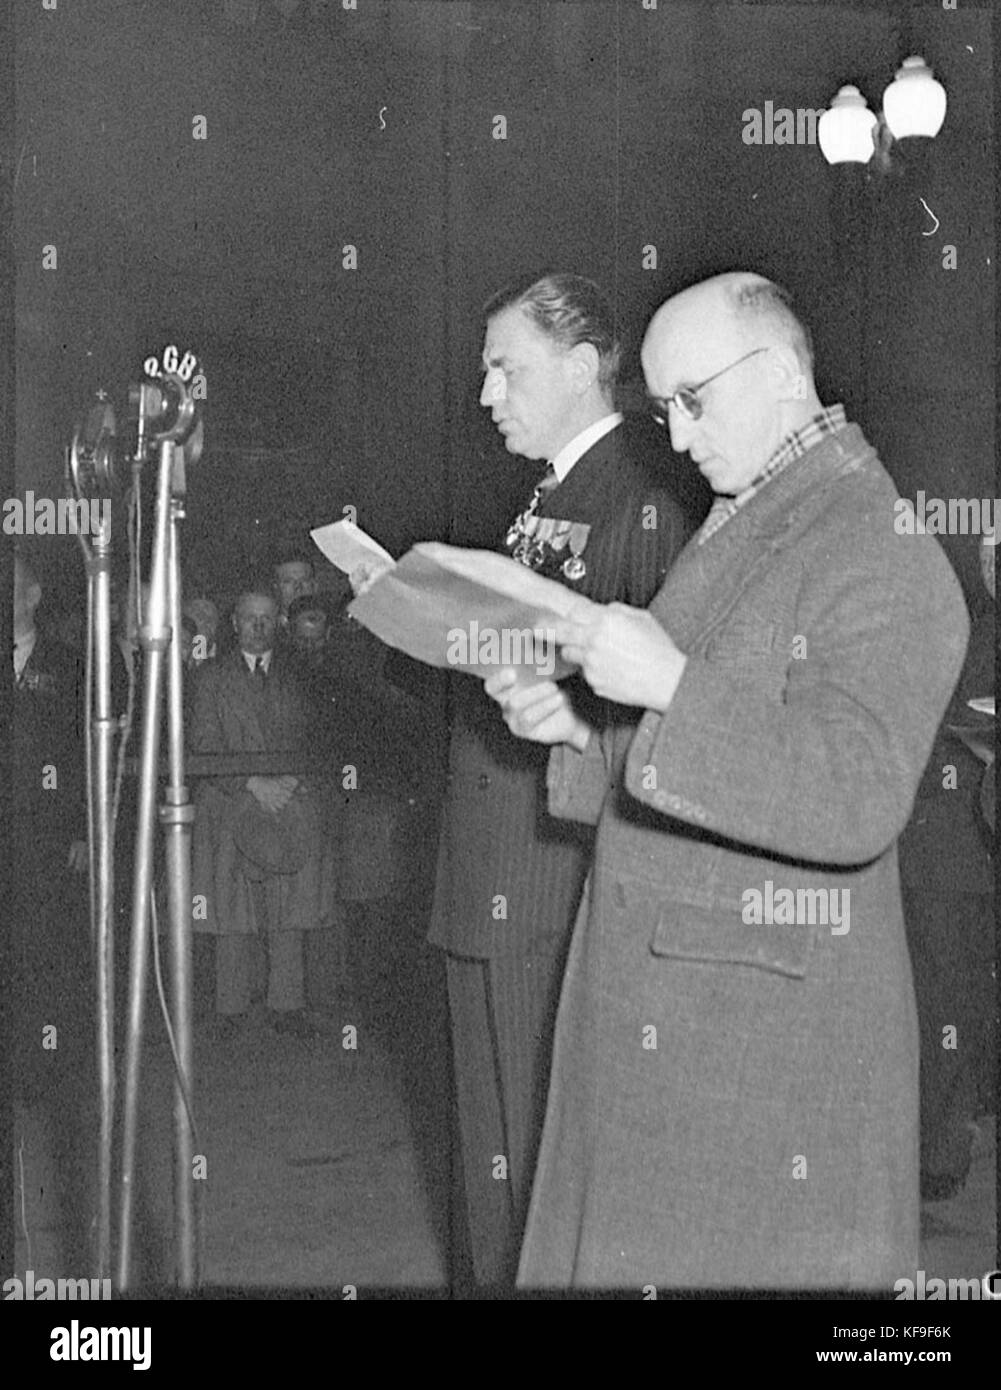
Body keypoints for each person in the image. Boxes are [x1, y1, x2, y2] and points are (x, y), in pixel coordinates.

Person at [487, 271, 969, 1289]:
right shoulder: (747, 520)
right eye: (663, 409)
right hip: (681, 1021)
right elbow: (703, 741)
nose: (679, 432)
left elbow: (852, 791)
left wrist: (665, 679)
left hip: (759, 1057)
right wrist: (579, 725)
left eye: (694, 399)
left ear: (785, 373)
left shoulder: (875, 548)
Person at [416, 270, 702, 1286]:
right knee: (488, 1160)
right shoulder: (541, 498)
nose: (486, 393)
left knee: (541, 1163)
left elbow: (661, 704)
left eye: (505, 368)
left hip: (551, 873)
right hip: (484, 862)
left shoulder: (641, 498)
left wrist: (567, 712)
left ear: (582, 367)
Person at [189, 587, 334, 1039]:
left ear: (279, 624)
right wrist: (253, 784)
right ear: (234, 622)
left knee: (288, 906)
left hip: (289, 802)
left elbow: (318, 739)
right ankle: (230, 1011)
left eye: (267, 618)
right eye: (249, 618)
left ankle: (286, 1007)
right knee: (232, 912)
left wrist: (288, 784)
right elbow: (202, 744)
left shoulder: (301, 677)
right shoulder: (210, 678)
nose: (258, 626)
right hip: (232, 803)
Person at [11, 553, 94, 1264]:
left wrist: (80, 829)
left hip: (49, 840)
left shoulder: (68, 666)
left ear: (33, 594)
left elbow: (84, 752)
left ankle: (48, 1074)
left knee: (47, 953)